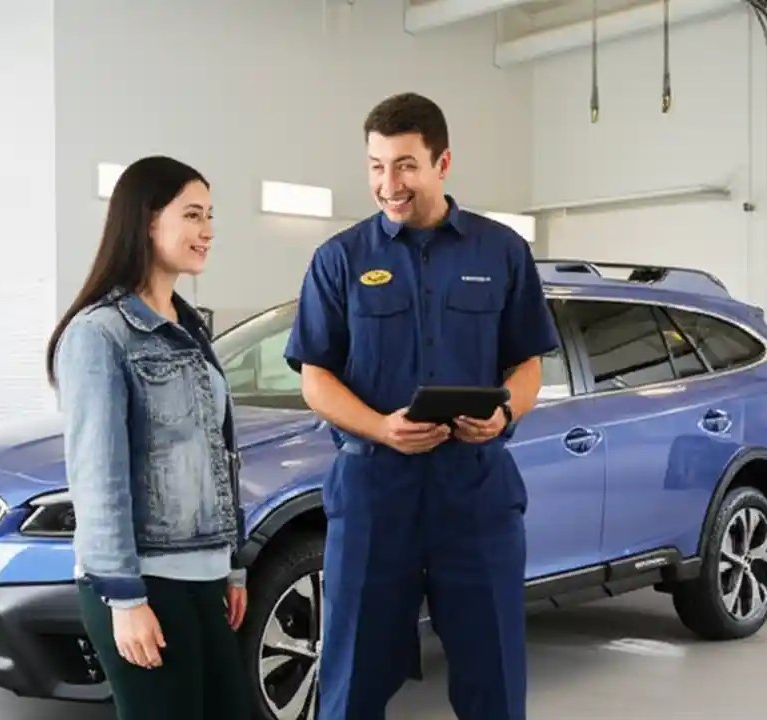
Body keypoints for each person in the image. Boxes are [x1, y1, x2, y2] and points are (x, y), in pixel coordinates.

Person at [284, 92, 559, 720]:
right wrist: (381, 427)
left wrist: (504, 413)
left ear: (443, 163)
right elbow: (316, 379)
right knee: (351, 678)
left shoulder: (501, 253)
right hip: (374, 493)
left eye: (405, 165)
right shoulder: (340, 260)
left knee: (493, 677)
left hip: (475, 492)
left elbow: (528, 363)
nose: (388, 184)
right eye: (376, 166)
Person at [46, 155, 250, 720]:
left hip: (205, 576)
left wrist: (230, 564)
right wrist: (125, 596)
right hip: (145, 581)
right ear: (145, 221)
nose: (208, 230)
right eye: (192, 214)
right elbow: (97, 477)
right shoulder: (99, 334)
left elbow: (218, 456)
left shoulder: (190, 326)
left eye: (210, 215)